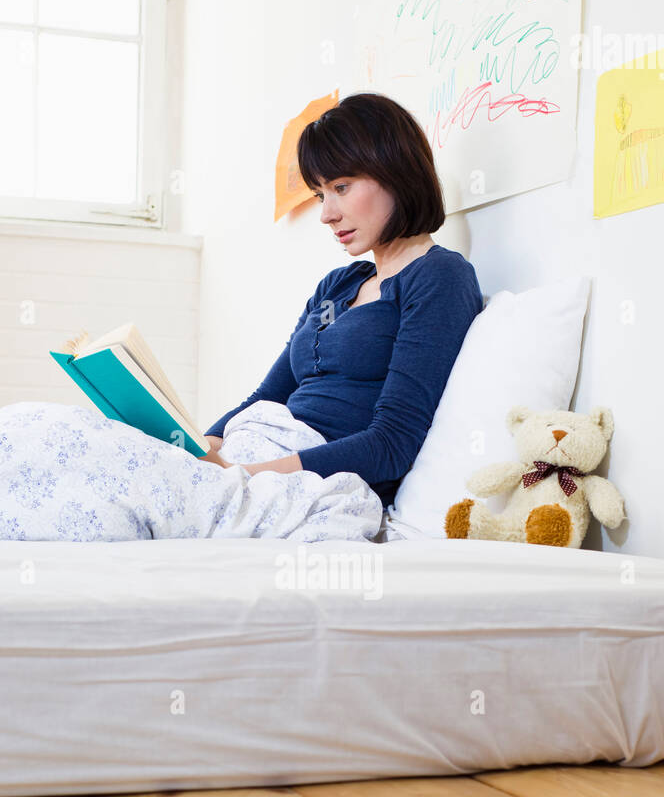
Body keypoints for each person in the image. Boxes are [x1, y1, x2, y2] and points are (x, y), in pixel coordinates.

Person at [200, 92, 484, 509]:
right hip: (254, 451)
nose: (326, 214)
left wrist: (242, 478)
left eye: (341, 187)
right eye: (320, 194)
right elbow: (268, 395)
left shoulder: (438, 277)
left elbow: (392, 443)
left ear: (397, 173)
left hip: (299, 480)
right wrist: (198, 449)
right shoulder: (337, 285)